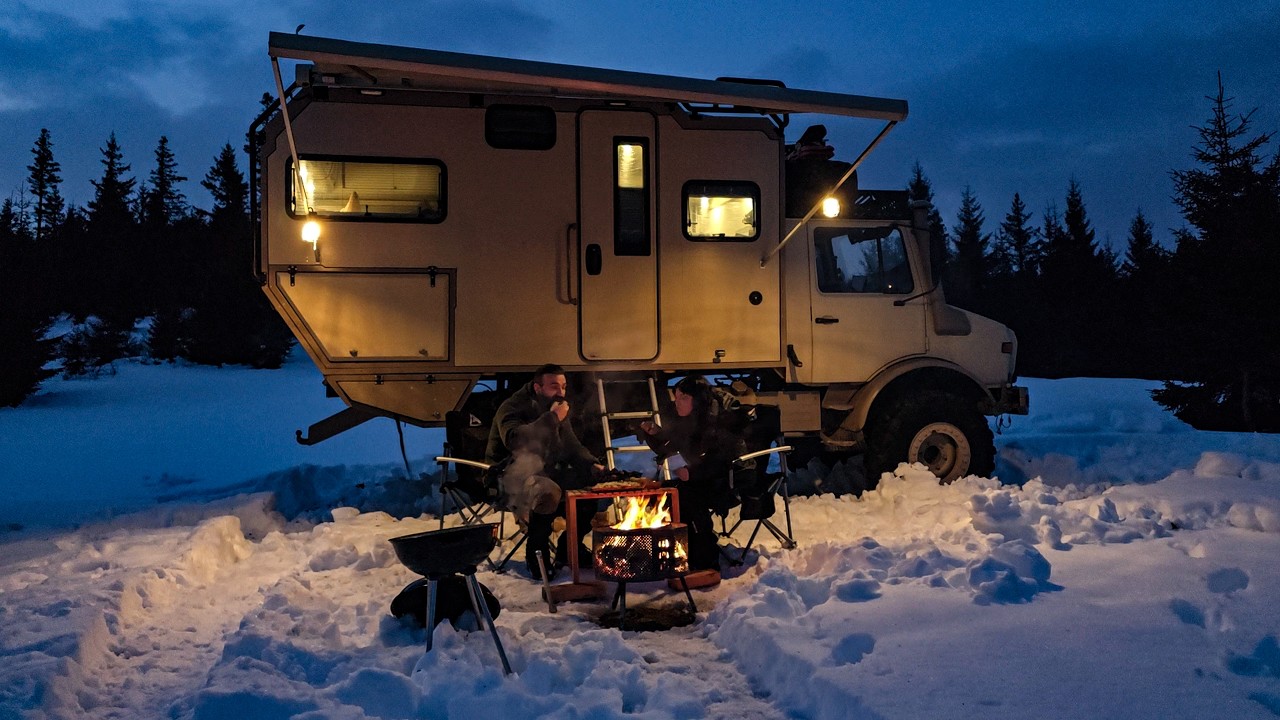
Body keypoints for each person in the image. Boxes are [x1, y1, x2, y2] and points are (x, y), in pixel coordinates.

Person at [485, 364, 604, 580]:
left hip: (546, 472)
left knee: (591, 492)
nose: (561, 393)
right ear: (538, 387)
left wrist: (592, 465)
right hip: (509, 476)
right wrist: (552, 419)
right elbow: (515, 441)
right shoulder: (513, 407)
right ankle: (536, 554)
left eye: (564, 386)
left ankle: (569, 549)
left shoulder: (555, 409)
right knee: (547, 492)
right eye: (554, 386)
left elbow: (571, 446)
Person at [640, 375, 751, 580]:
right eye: (676, 397)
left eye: (683, 398)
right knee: (664, 495)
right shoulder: (688, 419)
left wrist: (692, 473)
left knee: (687, 497)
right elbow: (672, 447)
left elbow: (722, 459)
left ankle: (705, 559)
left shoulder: (716, 420)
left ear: (697, 400)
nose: (677, 402)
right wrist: (654, 434)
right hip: (699, 479)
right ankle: (681, 551)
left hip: (727, 480)